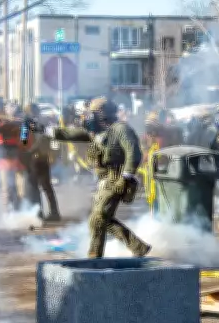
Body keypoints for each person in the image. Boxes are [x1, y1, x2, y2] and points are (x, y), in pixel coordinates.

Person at [28, 96, 151, 258]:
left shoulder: (120, 129)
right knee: (100, 219)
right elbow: (67, 133)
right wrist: (42, 129)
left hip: (117, 177)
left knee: (98, 219)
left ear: (104, 113)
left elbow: (133, 153)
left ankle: (94, 257)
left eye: (94, 113)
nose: (89, 116)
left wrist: (126, 177)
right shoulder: (95, 132)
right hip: (104, 180)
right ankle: (138, 247)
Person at [24, 103, 61, 221]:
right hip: (43, 157)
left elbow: (24, 140)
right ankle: (53, 212)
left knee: (35, 186)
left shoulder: (28, 124)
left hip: (35, 157)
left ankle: (39, 213)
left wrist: (28, 151)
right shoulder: (45, 122)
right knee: (46, 186)